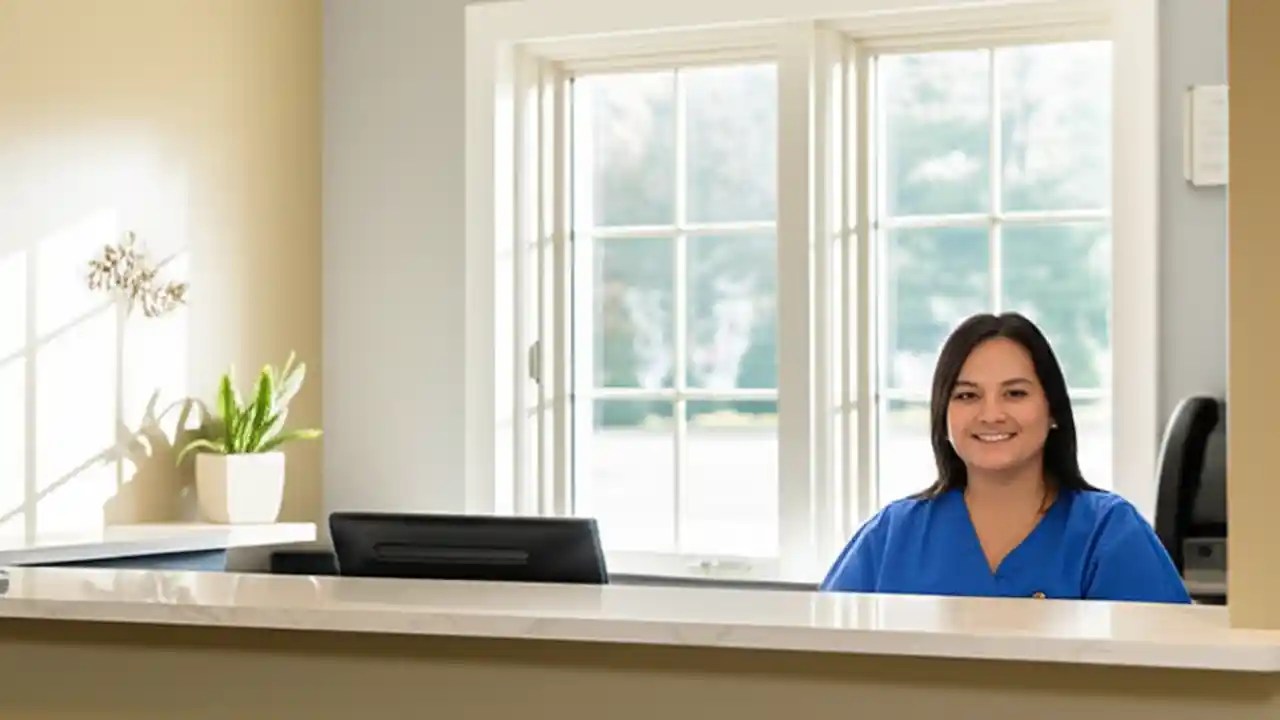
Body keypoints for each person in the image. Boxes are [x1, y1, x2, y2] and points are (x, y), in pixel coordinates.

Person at [821, 312, 1191, 604]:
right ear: (942, 416)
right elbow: (821, 660)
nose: (991, 414)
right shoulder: (892, 535)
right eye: (967, 396)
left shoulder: (1108, 533)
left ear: (1053, 411)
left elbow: (1166, 677)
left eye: (1015, 393)